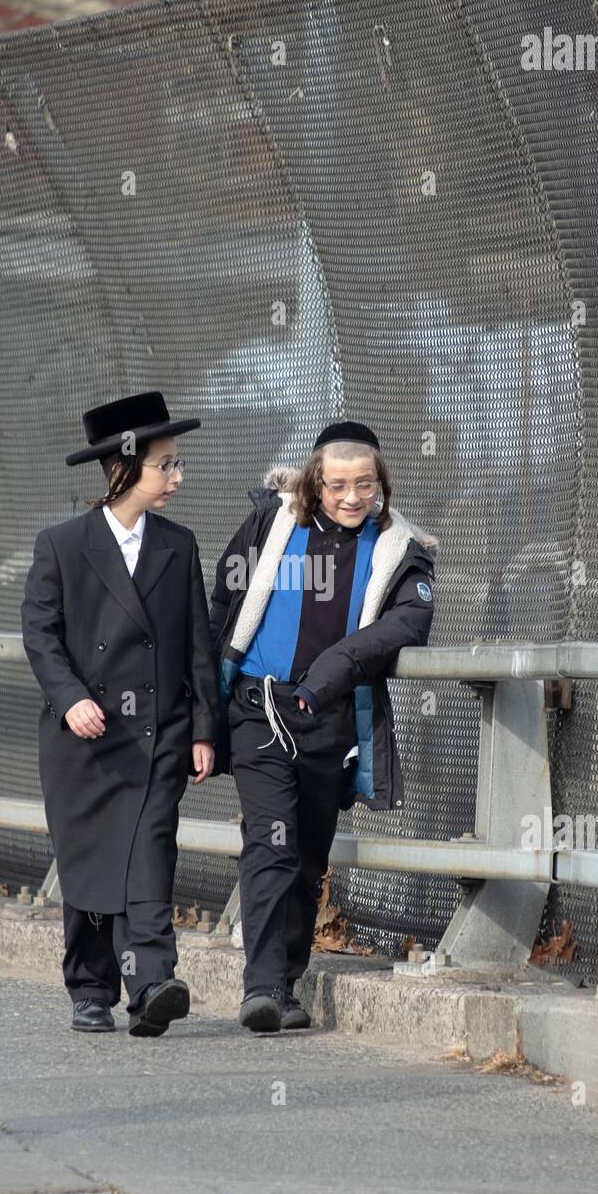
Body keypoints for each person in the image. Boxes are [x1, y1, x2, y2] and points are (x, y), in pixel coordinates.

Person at [208, 421, 439, 1032]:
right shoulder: (273, 524)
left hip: (330, 719)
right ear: (316, 481)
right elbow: (223, 601)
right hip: (259, 708)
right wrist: (204, 703)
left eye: (364, 484)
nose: (351, 497)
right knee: (270, 841)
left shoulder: (401, 549)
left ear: (381, 483)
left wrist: (331, 670)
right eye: (337, 484)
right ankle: (259, 987)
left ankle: (285, 982)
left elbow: (410, 622)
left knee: (307, 857)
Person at [21, 392, 218, 1038]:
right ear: (124, 469)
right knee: (91, 863)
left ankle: (153, 982)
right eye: (168, 465)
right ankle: (90, 986)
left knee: (149, 853)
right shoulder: (61, 545)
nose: (178, 477)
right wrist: (70, 696)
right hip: (84, 739)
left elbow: (198, 645)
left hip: (157, 736)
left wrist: (203, 731)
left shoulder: (179, 546)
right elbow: (40, 635)